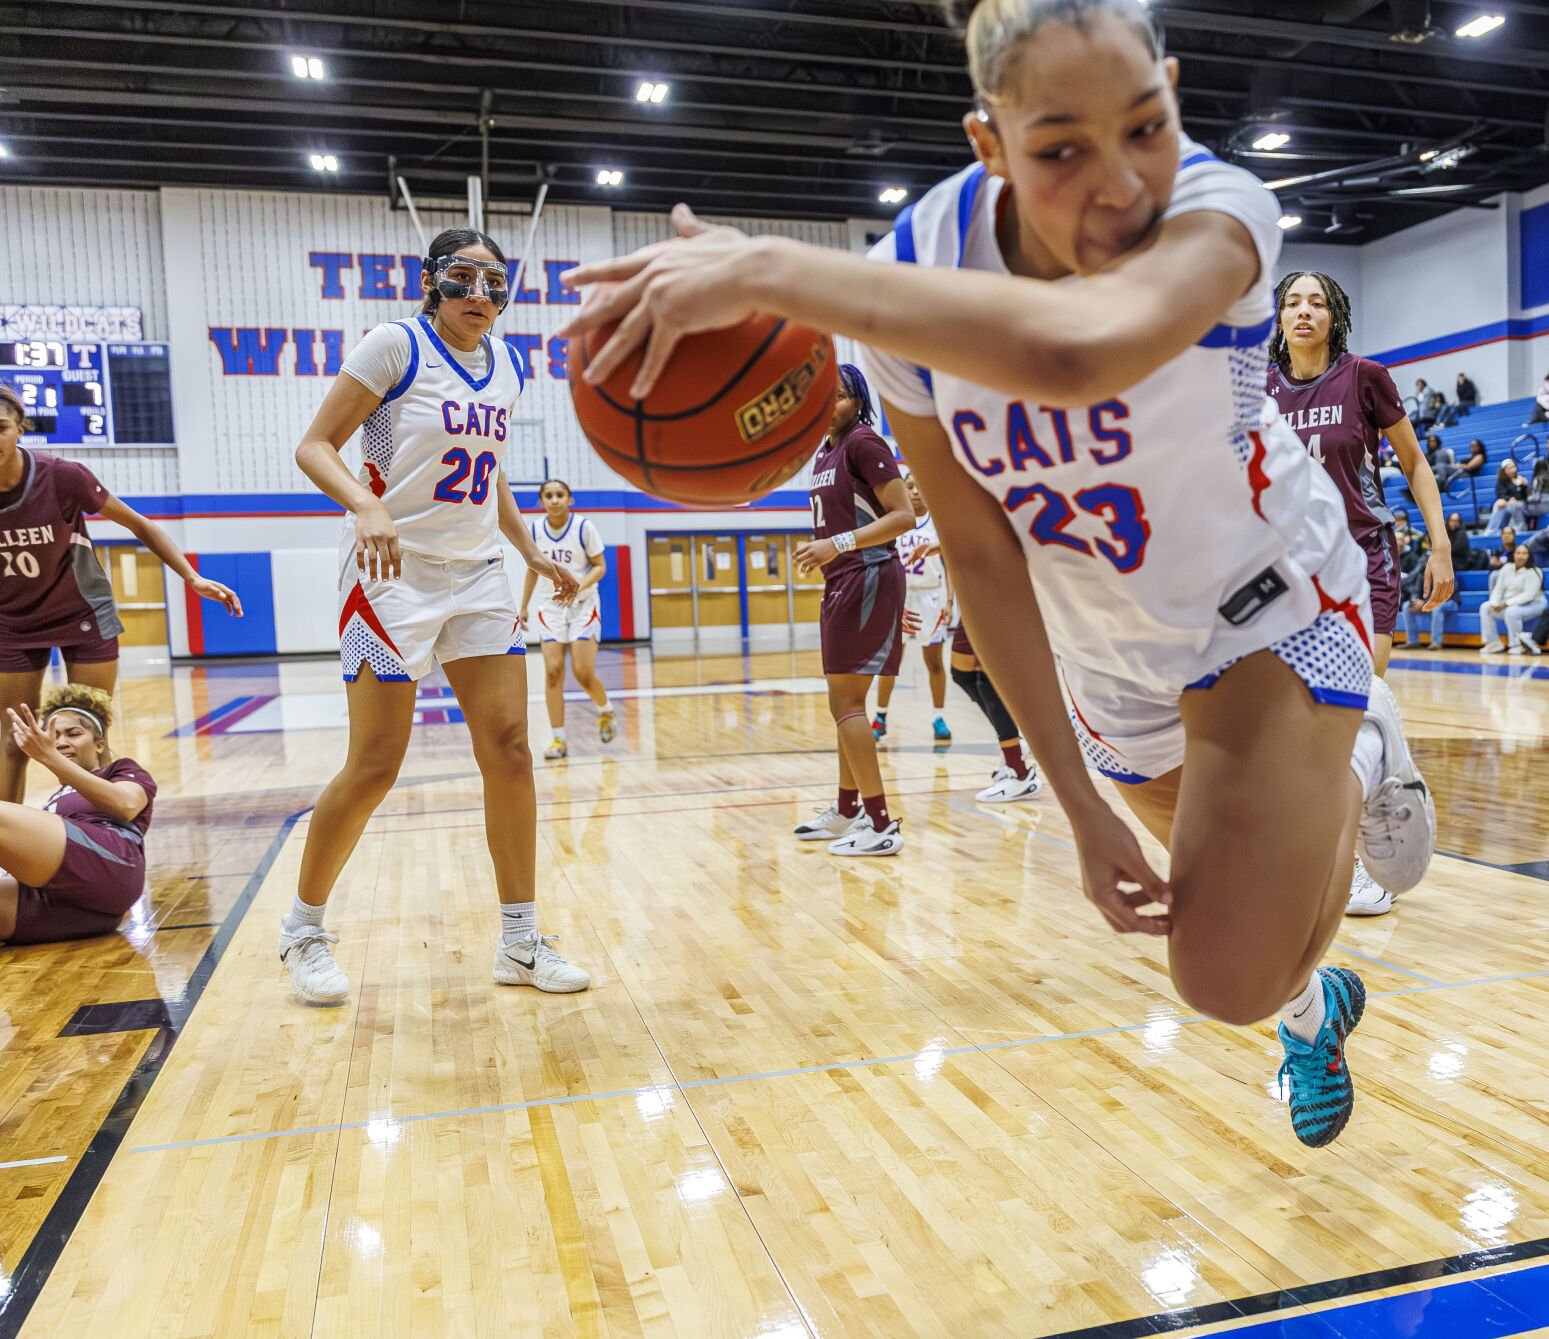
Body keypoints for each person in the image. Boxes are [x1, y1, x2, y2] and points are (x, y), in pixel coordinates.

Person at [560, 0, 1438, 1149]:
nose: (1118, 183)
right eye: (1061, 149)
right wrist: (1072, 802)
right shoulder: (912, 282)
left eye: (1145, 125)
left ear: (1171, 90)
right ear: (991, 147)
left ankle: (1362, 737)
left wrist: (773, 270)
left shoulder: (1222, 210)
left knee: (1215, 975)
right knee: (1237, 938)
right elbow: (976, 549)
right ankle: (1316, 1008)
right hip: (1110, 649)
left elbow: (1074, 351)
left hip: (1266, 605)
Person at [283, 226, 589, 1003]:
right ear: (432, 281)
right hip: (392, 576)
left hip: (480, 574)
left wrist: (530, 550)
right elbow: (316, 445)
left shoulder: (511, 366)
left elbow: (493, 478)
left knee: (512, 748)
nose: (480, 295)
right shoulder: (395, 345)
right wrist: (363, 505)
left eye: (494, 282)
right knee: (376, 762)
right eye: (463, 278)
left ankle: (519, 939)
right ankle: (303, 930)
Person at [0, 384, 241, 806]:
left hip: (82, 613)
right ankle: (6, 848)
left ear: (20, 428)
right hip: (11, 622)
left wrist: (190, 576)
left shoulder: (61, 477)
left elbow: (140, 524)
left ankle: (102, 835)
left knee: (87, 730)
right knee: (11, 738)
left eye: (0, 427)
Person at [1269, 274, 1454, 678]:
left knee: (1358, 689)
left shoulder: (1363, 376)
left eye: (1317, 303)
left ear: (1334, 317)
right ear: (1280, 318)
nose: (1304, 311)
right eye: (1293, 303)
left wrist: (1440, 548)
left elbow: (1416, 464)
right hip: (1287, 563)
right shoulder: (1259, 390)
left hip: (1363, 552)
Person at [785, 364, 913, 856]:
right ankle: (845, 810)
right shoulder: (826, 450)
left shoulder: (864, 442)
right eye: (822, 397)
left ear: (858, 399)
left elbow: (905, 515)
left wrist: (836, 544)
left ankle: (880, 824)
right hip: (844, 579)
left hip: (869, 575)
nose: (830, 405)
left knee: (848, 704)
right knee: (843, 704)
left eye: (839, 396)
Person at [0, 684, 155, 945]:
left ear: (99, 744)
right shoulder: (56, 799)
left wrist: (50, 757)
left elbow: (127, 804)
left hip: (116, 864)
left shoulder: (121, 770)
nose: (61, 742)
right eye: (54, 736)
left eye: (73, 733)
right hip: (87, 904)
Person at [519, 478, 616, 761]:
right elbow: (532, 569)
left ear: (569, 499)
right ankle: (558, 740)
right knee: (553, 672)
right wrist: (523, 606)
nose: (554, 499)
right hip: (551, 607)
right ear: (542, 500)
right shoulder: (535, 529)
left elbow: (600, 566)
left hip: (583, 605)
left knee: (583, 673)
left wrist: (578, 588)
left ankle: (605, 709)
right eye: (548, 495)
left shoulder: (583, 527)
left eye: (560, 494)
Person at [873, 473, 953, 743]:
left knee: (934, 662)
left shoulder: (939, 522)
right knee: (890, 660)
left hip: (932, 597)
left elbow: (949, 565)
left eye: (920, 486)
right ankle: (880, 717)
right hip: (900, 597)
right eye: (910, 487)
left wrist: (950, 601)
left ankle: (938, 716)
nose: (916, 492)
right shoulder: (895, 521)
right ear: (903, 490)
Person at [950, 622, 1043, 802]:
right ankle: (1017, 744)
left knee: (987, 676)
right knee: (962, 673)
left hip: (997, 598)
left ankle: (1019, 773)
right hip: (972, 600)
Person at [1478, 546, 1546, 655]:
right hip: (1510, 604)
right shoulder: (1507, 568)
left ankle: (1517, 644)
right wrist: (1494, 603)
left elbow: (1528, 595)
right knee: (1485, 607)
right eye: (1518, 553)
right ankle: (1493, 643)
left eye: (1524, 553)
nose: (1520, 556)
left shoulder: (1535, 571)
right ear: (1513, 555)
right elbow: (1498, 589)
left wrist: (1506, 604)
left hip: (1534, 604)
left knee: (1512, 612)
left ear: (1529, 556)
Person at [1398, 530, 1454, 652]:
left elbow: (1446, 592)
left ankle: (1436, 642)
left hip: (1450, 601)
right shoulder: (1423, 573)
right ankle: (1413, 641)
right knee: (1407, 605)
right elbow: (1417, 588)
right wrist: (1415, 600)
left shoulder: (1447, 565)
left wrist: (1426, 602)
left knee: (1437, 607)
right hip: (1429, 601)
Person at [1486, 459, 1528, 534]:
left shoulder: (1521, 480)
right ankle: (1491, 531)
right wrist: (1509, 499)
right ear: (1504, 470)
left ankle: (1518, 530)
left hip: (1521, 504)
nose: (1512, 470)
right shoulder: (1501, 481)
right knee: (1500, 504)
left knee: (1515, 505)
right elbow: (1501, 494)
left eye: (1513, 467)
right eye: (1509, 468)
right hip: (1508, 504)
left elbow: (1526, 496)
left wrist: (1525, 486)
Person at [1525, 458, 1549, 529]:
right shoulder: (1540, 478)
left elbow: (1534, 497)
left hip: (1544, 504)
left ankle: (1523, 527)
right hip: (1541, 503)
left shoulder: (1539, 478)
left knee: (1522, 508)